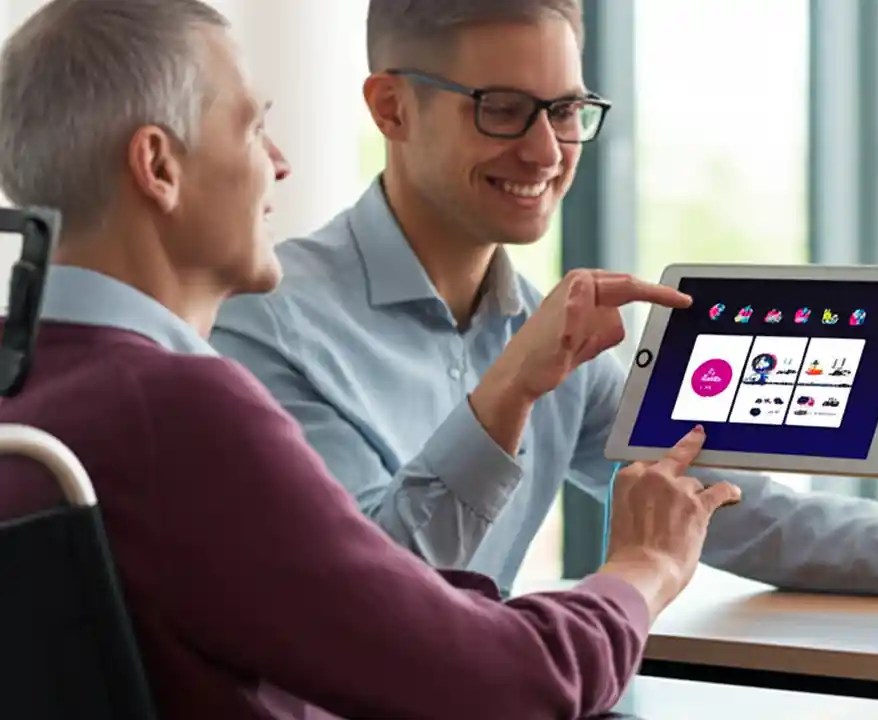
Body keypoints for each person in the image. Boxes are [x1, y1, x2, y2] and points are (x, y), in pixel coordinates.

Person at [212, 0, 878, 599]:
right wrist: (507, 397)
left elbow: (752, 512)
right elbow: (365, 600)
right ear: (391, 108)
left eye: (566, 110)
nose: (545, 152)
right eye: (501, 107)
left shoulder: (556, 342)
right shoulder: (265, 321)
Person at [0, 1, 740, 718]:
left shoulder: (31, 392)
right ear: (158, 165)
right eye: (254, 127)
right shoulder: (179, 411)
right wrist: (641, 570)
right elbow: (500, 686)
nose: (280, 164)